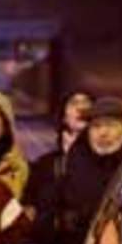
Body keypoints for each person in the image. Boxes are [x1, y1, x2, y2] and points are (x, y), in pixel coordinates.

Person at [34, 96, 122, 244]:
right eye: (96, 126)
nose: (103, 133)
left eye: (110, 125)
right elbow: (44, 229)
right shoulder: (69, 167)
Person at [26, 90, 94, 225]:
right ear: (64, 117)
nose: (81, 108)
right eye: (74, 103)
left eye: (86, 103)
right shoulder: (45, 165)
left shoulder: (105, 162)